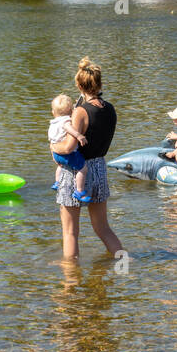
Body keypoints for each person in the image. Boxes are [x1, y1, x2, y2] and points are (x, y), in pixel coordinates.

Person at [57, 58, 123, 259]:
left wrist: (53, 146)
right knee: (103, 228)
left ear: (79, 85)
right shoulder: (110, 108)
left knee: (70, 233)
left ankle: (71, 282)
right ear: (100, 84)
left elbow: (68, 147)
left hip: (77, 171)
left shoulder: (80, 111)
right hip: (99, 168)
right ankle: (125, 263)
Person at [49, 94, 90, 201]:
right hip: (68, 154)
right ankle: (79, 191)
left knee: (61, 166)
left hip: (56, 154)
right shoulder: (66, 121)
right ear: (71, 110)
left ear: (53, 112)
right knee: (82, 169)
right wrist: (78, 136)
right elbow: (68, 128)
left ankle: (57, 182)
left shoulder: (53, 123)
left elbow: (51, 139)